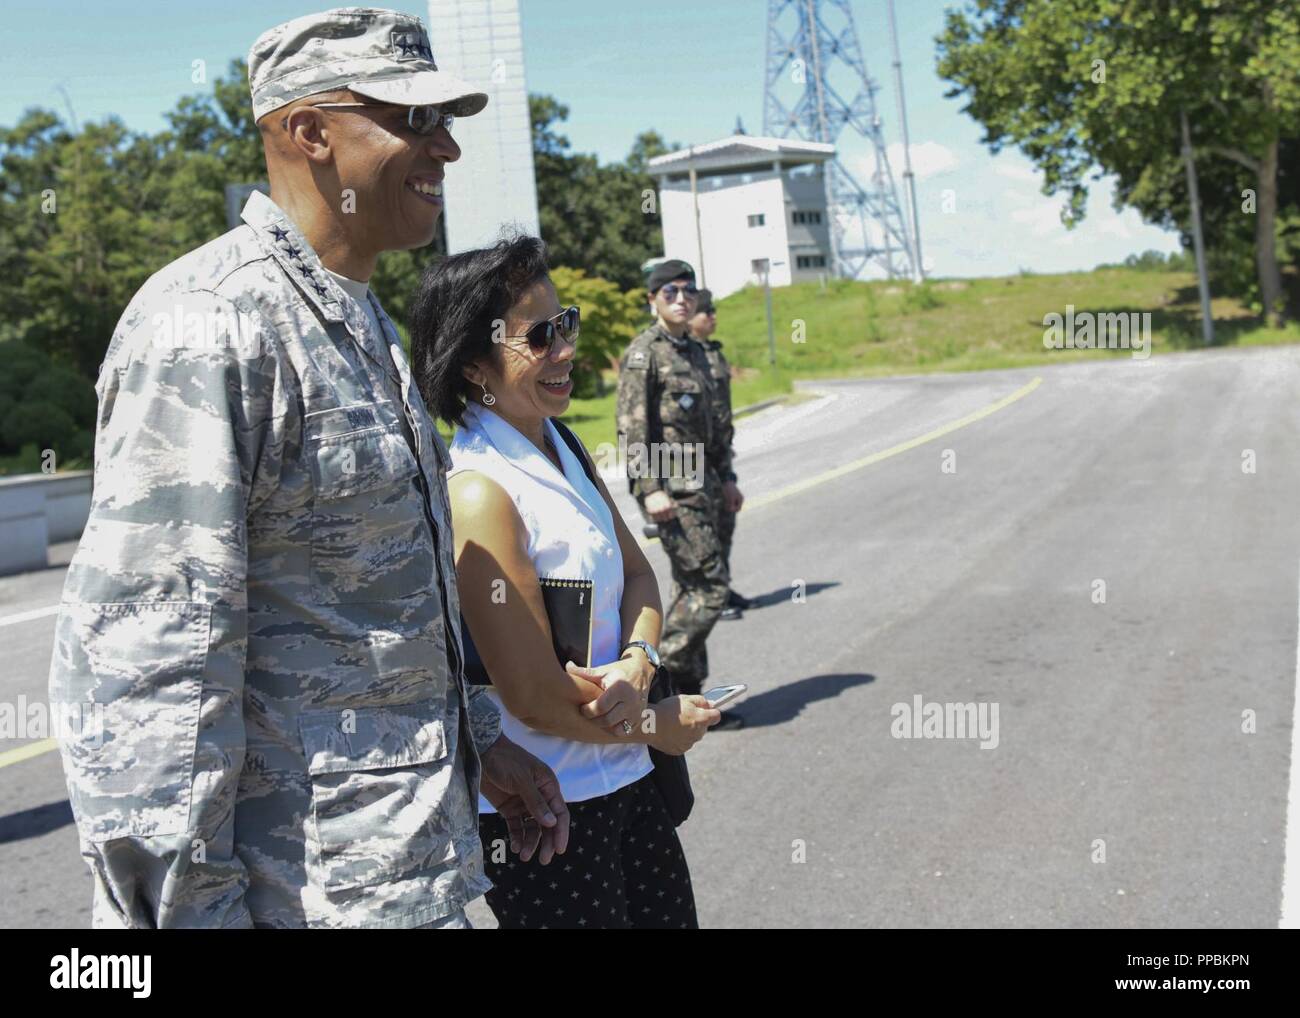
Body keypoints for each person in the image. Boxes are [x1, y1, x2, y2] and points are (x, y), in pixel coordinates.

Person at [46, 7, 568, 930]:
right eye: (414, 121)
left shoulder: (361, 321)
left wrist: (475, 744)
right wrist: (185, 917)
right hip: (297, 900)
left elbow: (364, 613)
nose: (445, 148)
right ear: (308, 132)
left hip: (404, 874)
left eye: (446, 122)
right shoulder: (212, 323)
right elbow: (151, 661)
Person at [409, 236, 720, 929]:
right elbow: (531, 697)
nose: (565, 349)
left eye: (566, 323)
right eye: (539, 336)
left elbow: (639, 574)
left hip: (630, 784)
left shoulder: (564, 444)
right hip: (547, 816)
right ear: (471, 366)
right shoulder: (482, 491)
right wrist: (653, 725)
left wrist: (640, 661)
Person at [616, 260, 743, 730]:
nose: (681, 298)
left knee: (692, 589)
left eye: (689, 291)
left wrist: (727, 478)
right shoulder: (643, 353)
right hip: (673, 490)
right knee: (711, 589)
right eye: (670, 291)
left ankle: (688, 703)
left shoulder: (698, 353)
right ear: (652, 299)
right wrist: (649, 490)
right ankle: (650, 679)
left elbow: (718, 427)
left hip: (708, 486)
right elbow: (632, 429)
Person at [687, 288, 748, 620]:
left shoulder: (714, 353)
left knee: (725, 522)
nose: (711, 317)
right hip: (696, 459)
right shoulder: (686, 355)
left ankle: (722, 588)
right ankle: (711, 596)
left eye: (712, 312)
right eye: (705, 312)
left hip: (719, 453)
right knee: (703, 532)